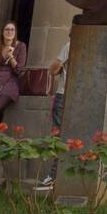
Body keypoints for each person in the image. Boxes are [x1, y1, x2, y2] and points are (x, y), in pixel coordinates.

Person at [42, 38, 69, 187]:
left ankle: (53, 176)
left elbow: (52, 70)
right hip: (78, 95)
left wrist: (59, 63)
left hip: (64, 94)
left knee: (59, 135)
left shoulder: (69, 45)